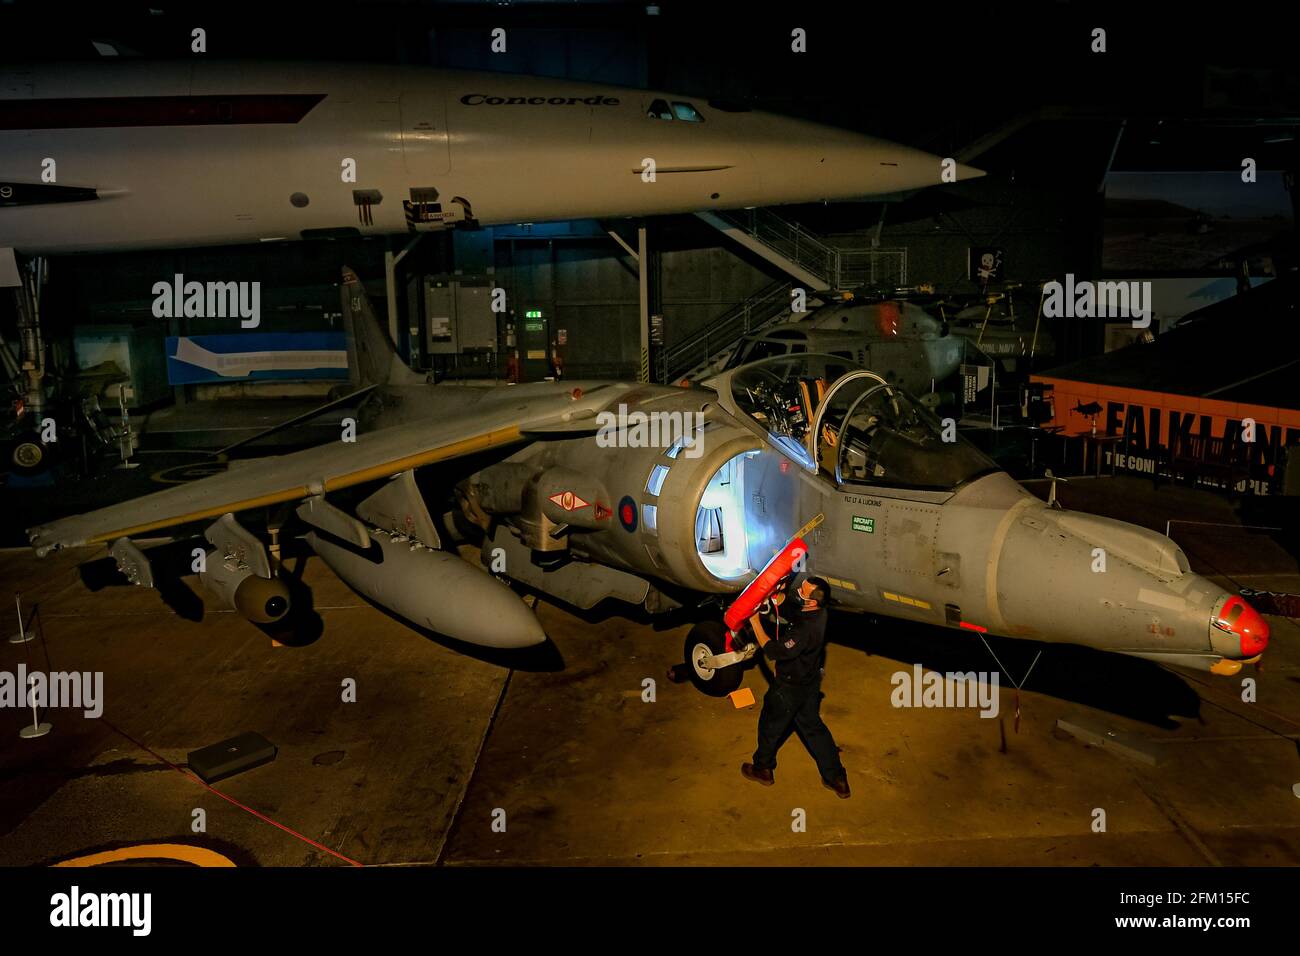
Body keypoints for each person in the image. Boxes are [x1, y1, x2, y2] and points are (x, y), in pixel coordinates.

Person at [741, 574, 850, 798]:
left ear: (812, 602)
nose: (798, 590)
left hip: (789, 688)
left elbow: (774, 651)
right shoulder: (820, 612)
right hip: (810, 683)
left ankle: (763, 768)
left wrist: (754, 622)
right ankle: (836, 778)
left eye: (802, 591)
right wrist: (776, 595)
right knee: (813, 727)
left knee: (770, 727)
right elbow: (793, 609)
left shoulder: (804, 631)